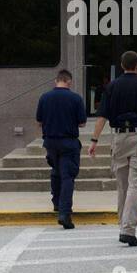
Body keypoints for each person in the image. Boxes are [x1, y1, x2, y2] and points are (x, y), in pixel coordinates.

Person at [88, 50, 137, 247]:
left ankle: (122, 225)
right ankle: (128, 229)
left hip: (118, 138)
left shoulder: (111, 86)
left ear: (121, 65)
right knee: (136, 183)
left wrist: (94, 140)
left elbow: (102, 115)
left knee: (122, 185)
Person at [35, 69, 86, 229]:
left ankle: (56, 202)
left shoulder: (44, 97)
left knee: (56, 171)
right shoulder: (76, 98)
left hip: (50, 142)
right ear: (69, 82)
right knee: (67, 177)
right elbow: (82, 123)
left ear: (56, 81)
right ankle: (64, 213)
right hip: (68, 142)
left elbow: (39, 121)